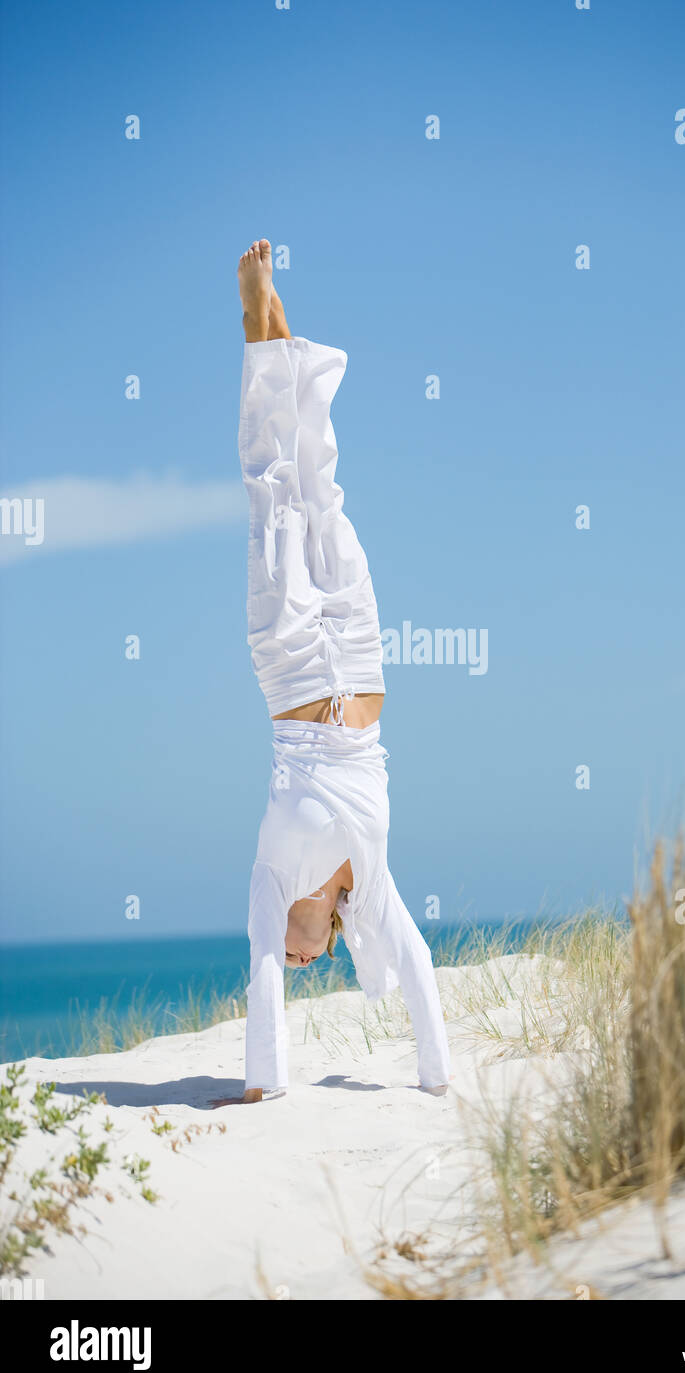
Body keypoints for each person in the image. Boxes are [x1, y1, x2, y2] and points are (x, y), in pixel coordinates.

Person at [214, 240, 451, 1106]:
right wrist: (438, 1078)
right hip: (358, 656)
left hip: (288, 675)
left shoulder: (270, 882)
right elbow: (417, 961)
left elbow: (263, 976)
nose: (306, 958)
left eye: (299, 951)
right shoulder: (366, 889)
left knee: (269, 489)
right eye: (320, 959)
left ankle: (256, 325)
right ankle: (277, 331)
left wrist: (261, 1091)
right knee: (320, 486)